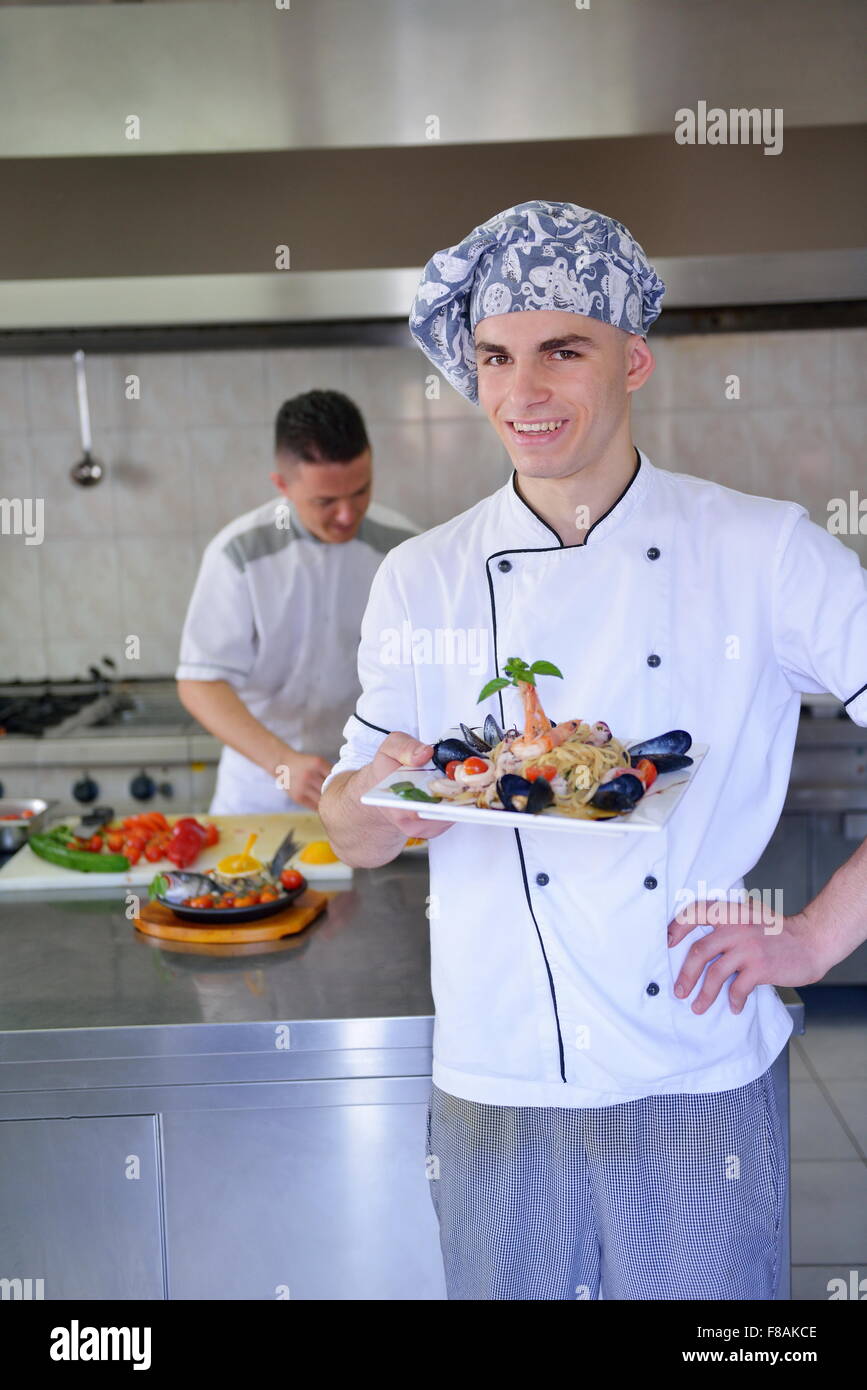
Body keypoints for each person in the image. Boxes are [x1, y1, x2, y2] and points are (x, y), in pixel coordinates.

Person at [319, 200, 867, 1300]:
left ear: (633, 361)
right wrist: (369, 810)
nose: (522, 391)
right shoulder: (422, 577)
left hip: (694, 1064)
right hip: (494, 1077)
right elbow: (354, 823)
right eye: (495, 357)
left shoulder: (761, 550)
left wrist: (817, 938)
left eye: (561, 351)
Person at [176, 389, 417, 813]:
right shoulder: (239, 554)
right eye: (325, 501)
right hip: (259, 789)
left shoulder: (407, 551)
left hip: (369, 782)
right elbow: (200, 682)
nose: (347, 515)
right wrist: (281, 762)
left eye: (360, 491)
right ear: (282, 485)